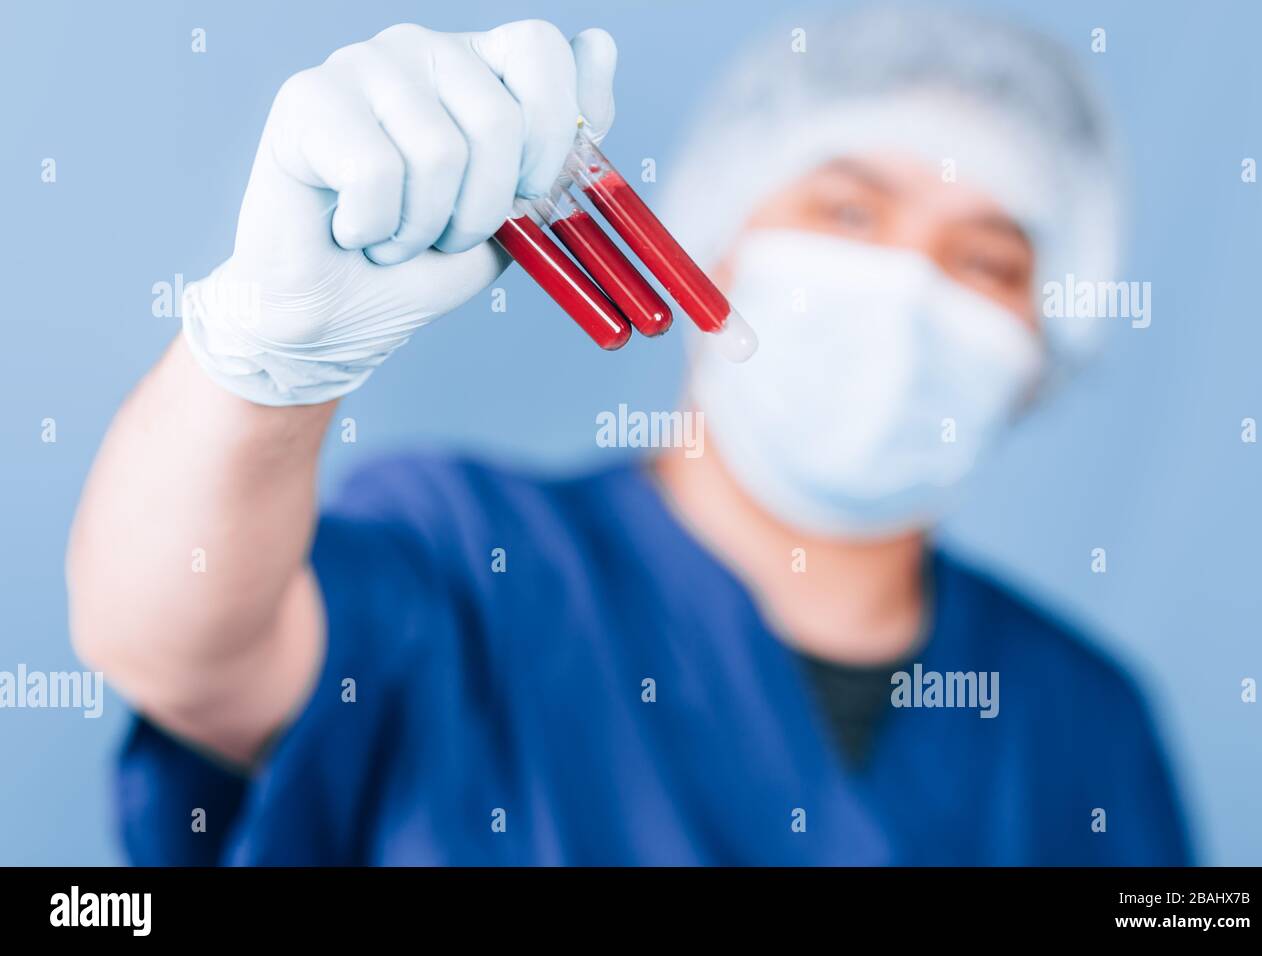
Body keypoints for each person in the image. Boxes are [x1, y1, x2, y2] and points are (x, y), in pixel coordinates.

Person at [68, 7, 1191, 865]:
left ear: (1049, 339)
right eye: (847, 211)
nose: (902, 288)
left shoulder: (1080, 717)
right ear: (709, 238)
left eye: (984, 259)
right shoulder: (470, 556)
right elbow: (178, 646)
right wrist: (265, 358)